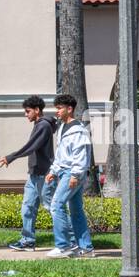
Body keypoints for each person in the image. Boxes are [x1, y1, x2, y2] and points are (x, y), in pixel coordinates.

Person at [0, 95, 58, 251]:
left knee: (53, 208)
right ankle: (27, 241)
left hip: (44, 175)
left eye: (27, 111)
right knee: (27, 208)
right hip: (34, 175)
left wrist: (11, 157)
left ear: (37, 110)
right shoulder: (39, 125)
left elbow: (30, 146)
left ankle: (71, 240)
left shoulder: (43, 126)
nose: (26, 115)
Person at [44, 93, 95, 258]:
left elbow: (80, 154)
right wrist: (52, 171)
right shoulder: (62, 128)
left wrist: (75, 175)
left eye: (59, 108)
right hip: (65, 171)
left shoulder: (78, 130)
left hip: (72, 173)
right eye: (56, 108)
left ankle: (63, 245)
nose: (57, 111)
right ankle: (85, 248)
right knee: (76, 211)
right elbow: (61, 154)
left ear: (69, 109)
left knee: (56, 205)